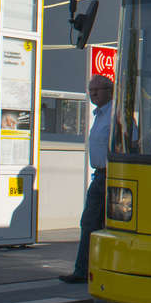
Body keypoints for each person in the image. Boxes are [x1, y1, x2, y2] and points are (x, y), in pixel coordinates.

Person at [62, 74, 113, 284]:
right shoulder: (99, 114)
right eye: (90, 90)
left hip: (111, 177)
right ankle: (87, 269)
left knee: (92, 222)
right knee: (92, 223)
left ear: (109, 92)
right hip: (100, 175)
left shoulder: (114, 114)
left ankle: (83, 270)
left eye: (97, 90)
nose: (92, 94)